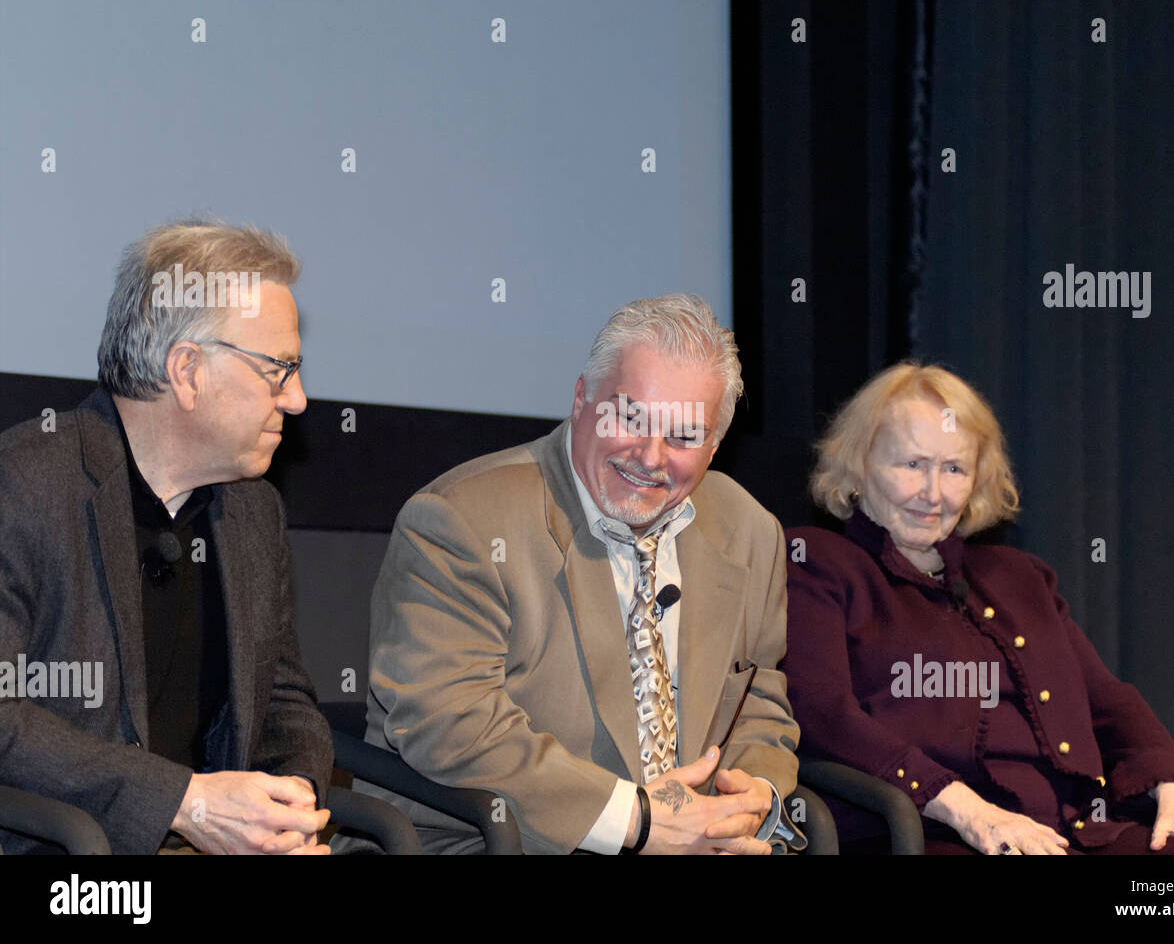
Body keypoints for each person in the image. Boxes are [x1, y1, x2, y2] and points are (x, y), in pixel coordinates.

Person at [344, 294, 803, 854]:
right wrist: (638, 823)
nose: (651, 457)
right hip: (486, 841)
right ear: (582, 398)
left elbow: (756, 700)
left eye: (684, 436)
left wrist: (747, 799)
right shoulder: (460, 521)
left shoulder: (751, 531)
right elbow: (448, 724)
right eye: (631, 417)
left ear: (715, 444)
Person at [783, 361, 1174, 855]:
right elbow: (822, 714)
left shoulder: (1020, 578)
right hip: (928, 834)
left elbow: (1108, 703)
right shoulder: (815, 563)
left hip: (1075, 833)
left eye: (955, 469)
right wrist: (967, 810)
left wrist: (1173, 790)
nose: (933, 493)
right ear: (859, 464)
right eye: (912, 464)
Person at [0, 220, 333, 855]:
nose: (298, 399)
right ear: (186, 371)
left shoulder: (252, 511)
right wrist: (187, 802)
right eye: (279, 368)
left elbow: (284, 697)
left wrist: (286, 805)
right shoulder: (23, 488)